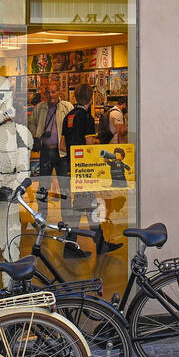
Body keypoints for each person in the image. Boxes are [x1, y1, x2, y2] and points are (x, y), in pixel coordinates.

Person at [62, 82, 122, 254]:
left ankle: (91, 243)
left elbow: (62, 145)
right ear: (91, 98)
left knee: (87, 206)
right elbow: (89, 145)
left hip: (72, 168)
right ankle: (72, 246)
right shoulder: (86, 118)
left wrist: (75, 157)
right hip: (85, 172)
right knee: (84, 206)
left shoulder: (69, 117)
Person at [29, 77, 72, 201]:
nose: (51, 95)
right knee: (43, 185)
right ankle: (41, 217)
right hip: (46, 151)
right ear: (45, 94)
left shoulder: (67, 107)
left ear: (59, 92)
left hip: (62, 153)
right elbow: (31, 123)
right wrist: (36, 135)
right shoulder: (40, 108)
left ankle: (67, 216)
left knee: (64, 186)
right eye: (48, 92)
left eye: (53, 92)